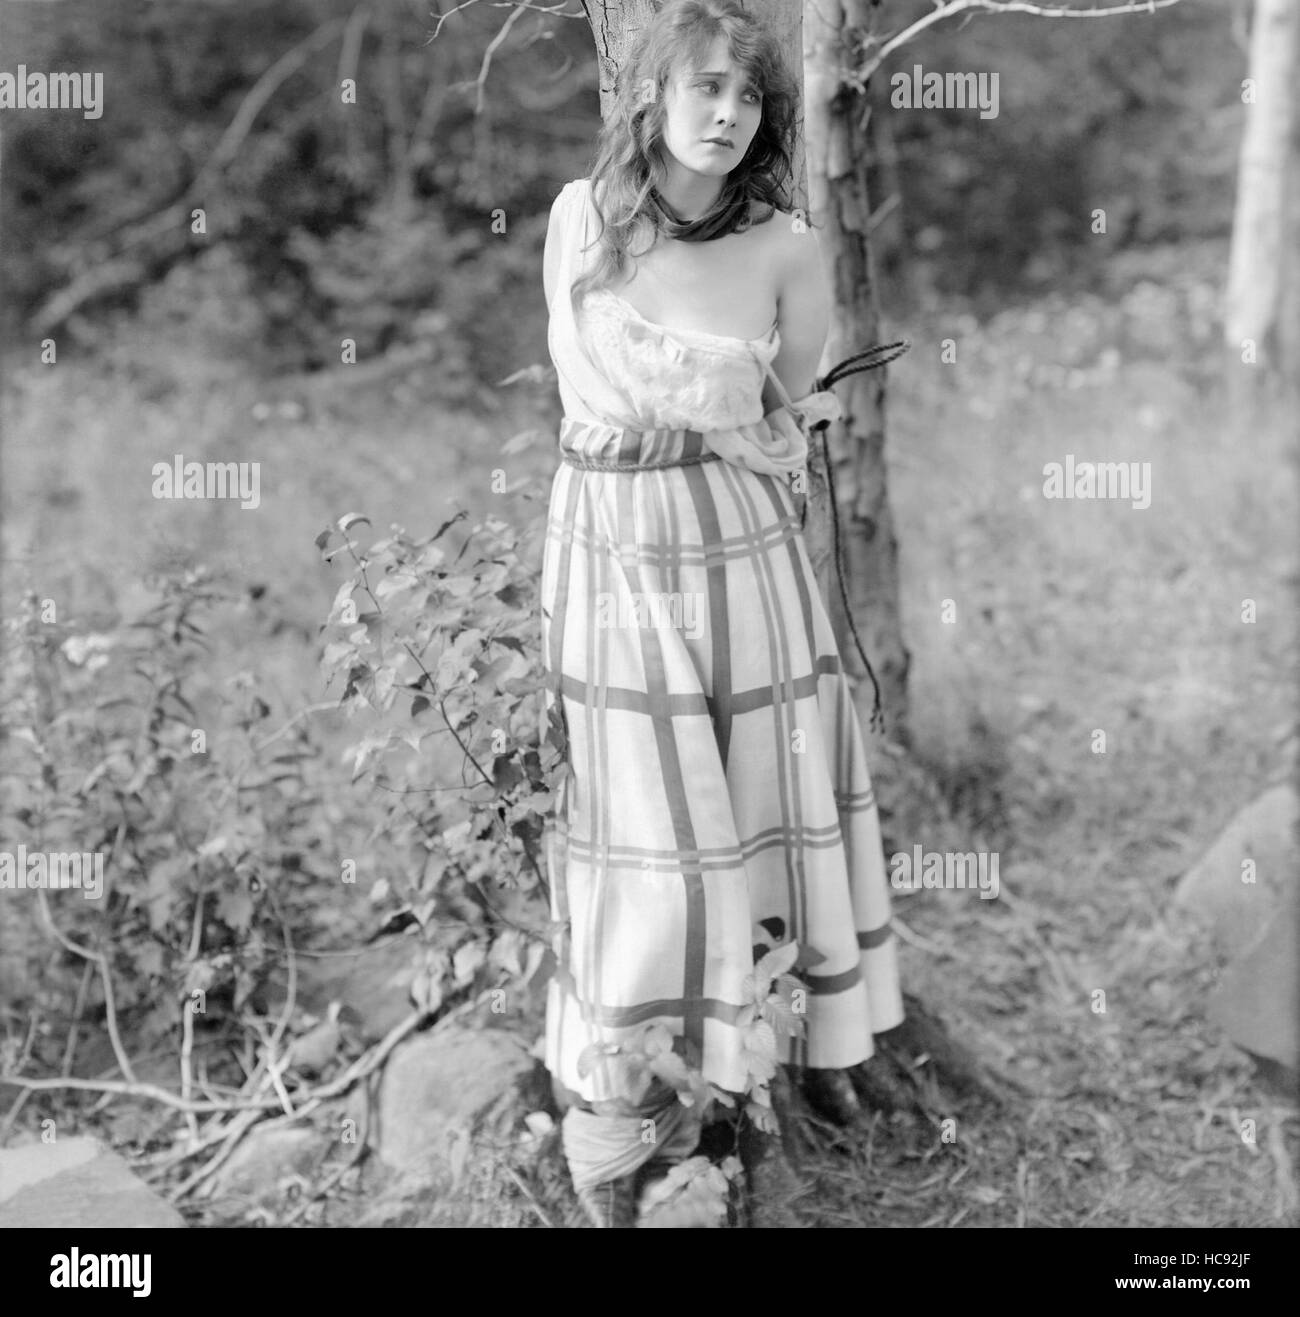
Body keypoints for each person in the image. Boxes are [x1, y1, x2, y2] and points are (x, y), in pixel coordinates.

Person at [539, 0, 904, 1227]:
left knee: (754, 825)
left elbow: (777, 411)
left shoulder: (789, 248)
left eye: (747, 99)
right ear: (648, 97)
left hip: (737, 552)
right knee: (647, 853)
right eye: (703, 89)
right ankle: (622, 1118)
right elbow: (581, 401)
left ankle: (744, 1106)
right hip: (606, 549)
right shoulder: (580, 223)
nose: (725, 115)